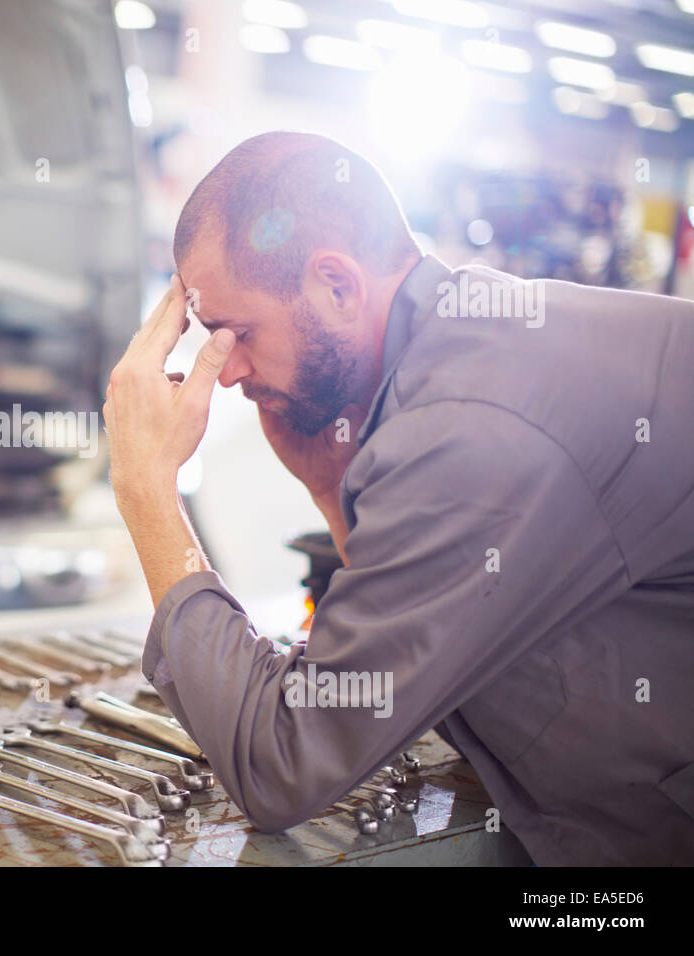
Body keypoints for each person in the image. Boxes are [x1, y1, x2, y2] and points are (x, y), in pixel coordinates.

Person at [102, 130, 694, 865]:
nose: (225, 374)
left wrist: (147, 489)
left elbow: (280, 763)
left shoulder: (469, 425)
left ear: (338, 285)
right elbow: (408, 652)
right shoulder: (459, 348)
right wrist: (328, 483)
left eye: (237, 334)